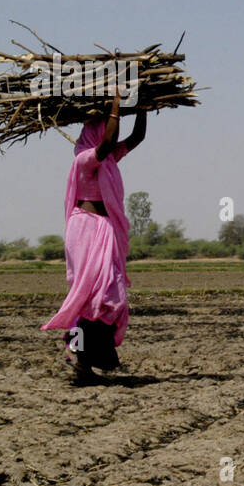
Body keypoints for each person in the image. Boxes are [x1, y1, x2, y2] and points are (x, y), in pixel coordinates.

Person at [42, 91, 146, 385]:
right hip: (86, 229)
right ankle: (77, 356)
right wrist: (115, 103)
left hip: (103, 227)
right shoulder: (86, 158)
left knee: (108, 299)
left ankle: (86, 359)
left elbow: (136, 138)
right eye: (102, 128)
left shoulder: (110, 156)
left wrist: (143, 107)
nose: (105, 132)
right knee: (93, 298)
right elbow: (110, 142)